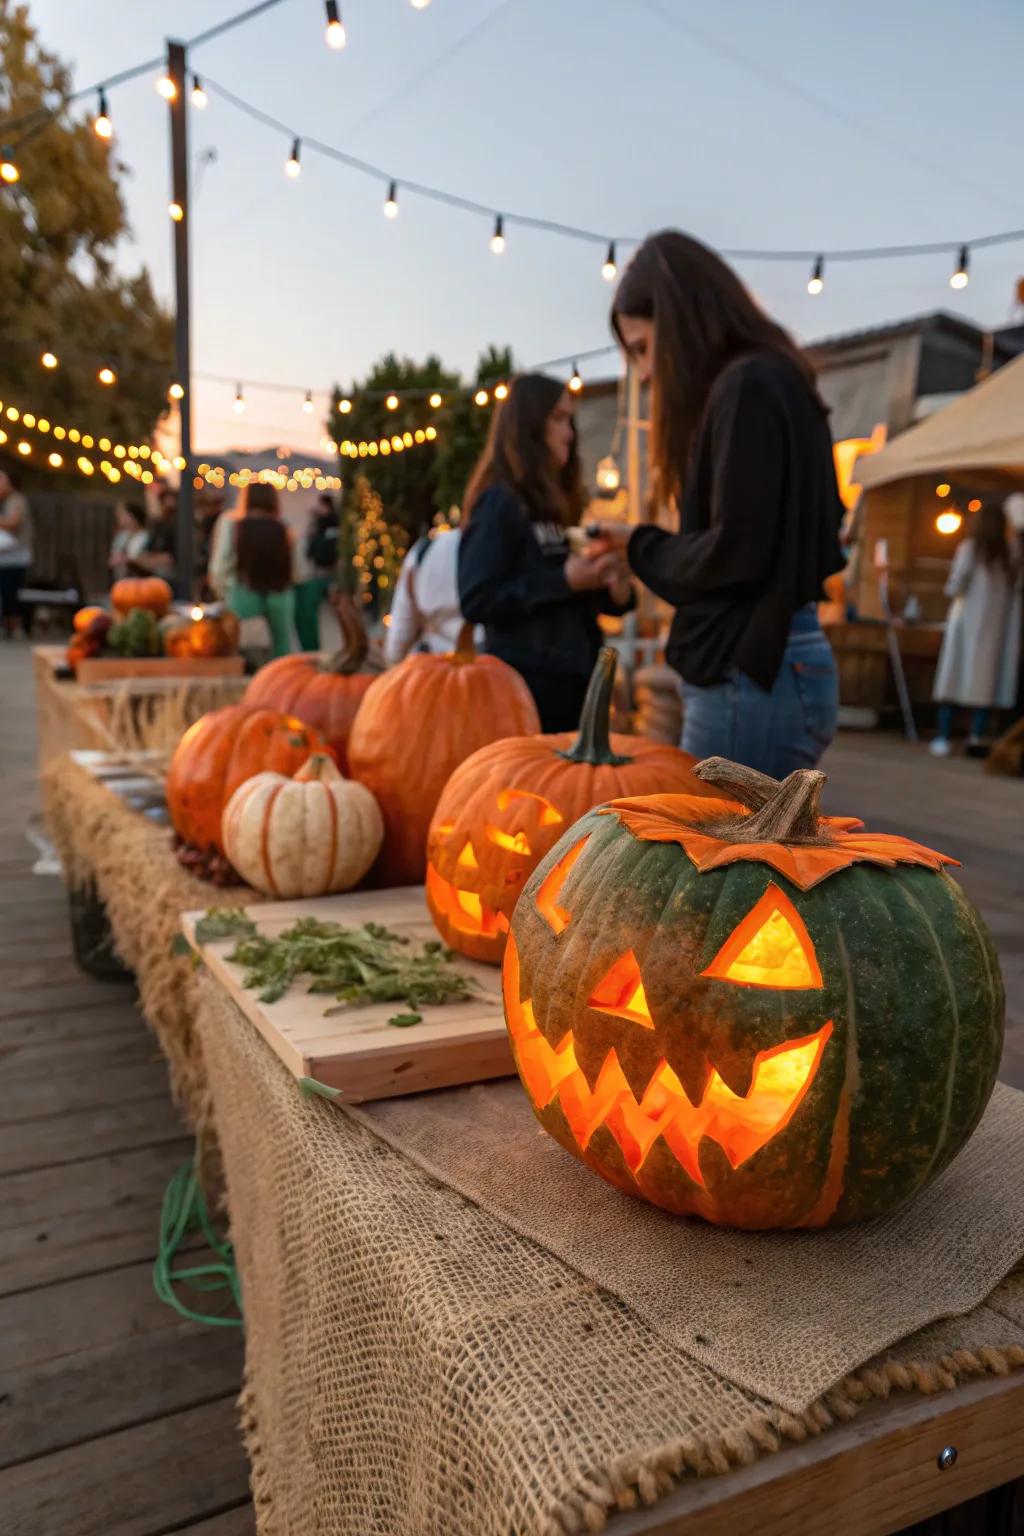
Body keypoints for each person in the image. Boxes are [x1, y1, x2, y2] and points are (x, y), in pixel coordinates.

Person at [594, 229, 845, 778]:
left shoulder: (748, 386)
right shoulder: (773, 380)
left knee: (721, 858)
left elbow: (735, 552)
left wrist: (640, 544)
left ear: (680, 318)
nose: (642, 372)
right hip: (772, 665)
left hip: (752, 674)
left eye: (641, 348)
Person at [458, 372, 633, 730]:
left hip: (577, 682)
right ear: (528, 426)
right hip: (525, 690)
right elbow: (478, 598)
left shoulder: (558, 503)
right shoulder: (498, 503)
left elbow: (571, 595)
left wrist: (613, 586)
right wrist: (564, 581)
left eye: (569, 419)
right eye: (557, 419)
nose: (569, 432)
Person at [930, 502, 1021, 757]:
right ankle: (976, 735)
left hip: (965, 624)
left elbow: (955, 585)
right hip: (995, 629)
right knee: (985, 684)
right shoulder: (1010, 553)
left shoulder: (970, 548)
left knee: (953, 679)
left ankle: (943, 737)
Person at [221, 482, 296, 658]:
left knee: (238, 643)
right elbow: (295, 568)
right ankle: (279, 679)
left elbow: (223, 563)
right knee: (281, 644)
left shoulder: (235, 526)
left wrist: (222, 589)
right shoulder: (283, 528)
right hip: (279, 591)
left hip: (244, 590)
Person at [385, 527, 481, 663]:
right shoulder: (506, 546)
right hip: (494, 666)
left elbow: (399, 638)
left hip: (432, 666)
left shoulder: (426, 551)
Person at [294, 493, 338, 651]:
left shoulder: (334, 524)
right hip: (317, 572)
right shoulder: (317, 525)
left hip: (330, 574)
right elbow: (309, 549)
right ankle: (312, 648)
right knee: (310, 613)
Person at [0, 466, 33, 637]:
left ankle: (15, 626)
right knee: (6, 592)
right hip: (6, 557)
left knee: (11, 591)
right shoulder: (6, 501)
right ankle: (7, 626)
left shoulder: (16, 500)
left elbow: (14, 522)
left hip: (15, 557)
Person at [133, 489, 178, 581]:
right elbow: (146, 552)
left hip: (167, 577)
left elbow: (170, 558)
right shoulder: (157, 528)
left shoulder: (175, 528)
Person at [107, 501, 149, 582]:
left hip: (139, 578)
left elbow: (145, 558)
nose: (122, 519)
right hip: (119, 578)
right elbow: (112, 558)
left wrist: (127, 559)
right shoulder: (121, 536)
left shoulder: (146, 537)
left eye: (126, 516)